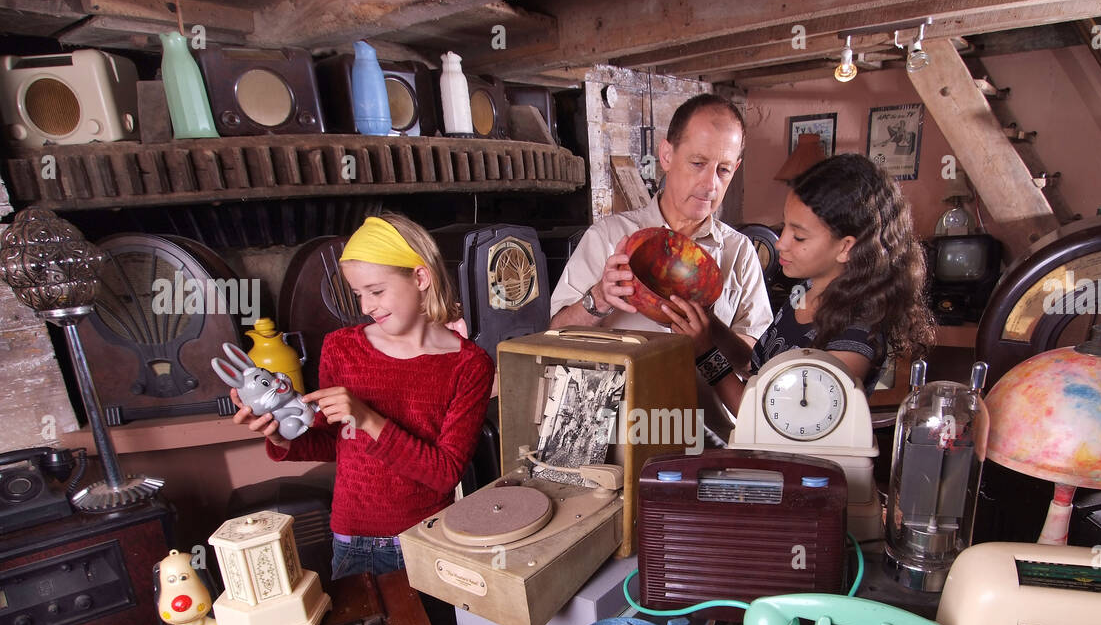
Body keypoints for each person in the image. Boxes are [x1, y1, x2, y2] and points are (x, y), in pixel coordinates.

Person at [230, 212, 494, 579]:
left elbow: (444, 474)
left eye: (376, 291)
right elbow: (333, 443)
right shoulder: (341, 348)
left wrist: (368, 418)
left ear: (420, 277)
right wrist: (279, 435)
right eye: (358, 294)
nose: (366, 307)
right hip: (353, 541)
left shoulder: (469, 364)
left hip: (427, 540)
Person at [550, 93, 773, 442]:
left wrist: (708, 330)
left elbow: (753, 364)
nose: (710, 184)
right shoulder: (610, 237)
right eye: (698, 163)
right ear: (666, 156)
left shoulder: (740, 252)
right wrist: (599, 298)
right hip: (613, 439)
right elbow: (553, 338)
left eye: (723, 169)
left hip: (708, 441)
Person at [663, 152, 934, 415]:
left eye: (799, 237)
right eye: (785, 227)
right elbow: (755, 367)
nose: (781, 244)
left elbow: (768, 419)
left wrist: (705, 353)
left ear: (846, 248)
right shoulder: (805, 292)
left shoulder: (855, 336)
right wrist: (710, 326)